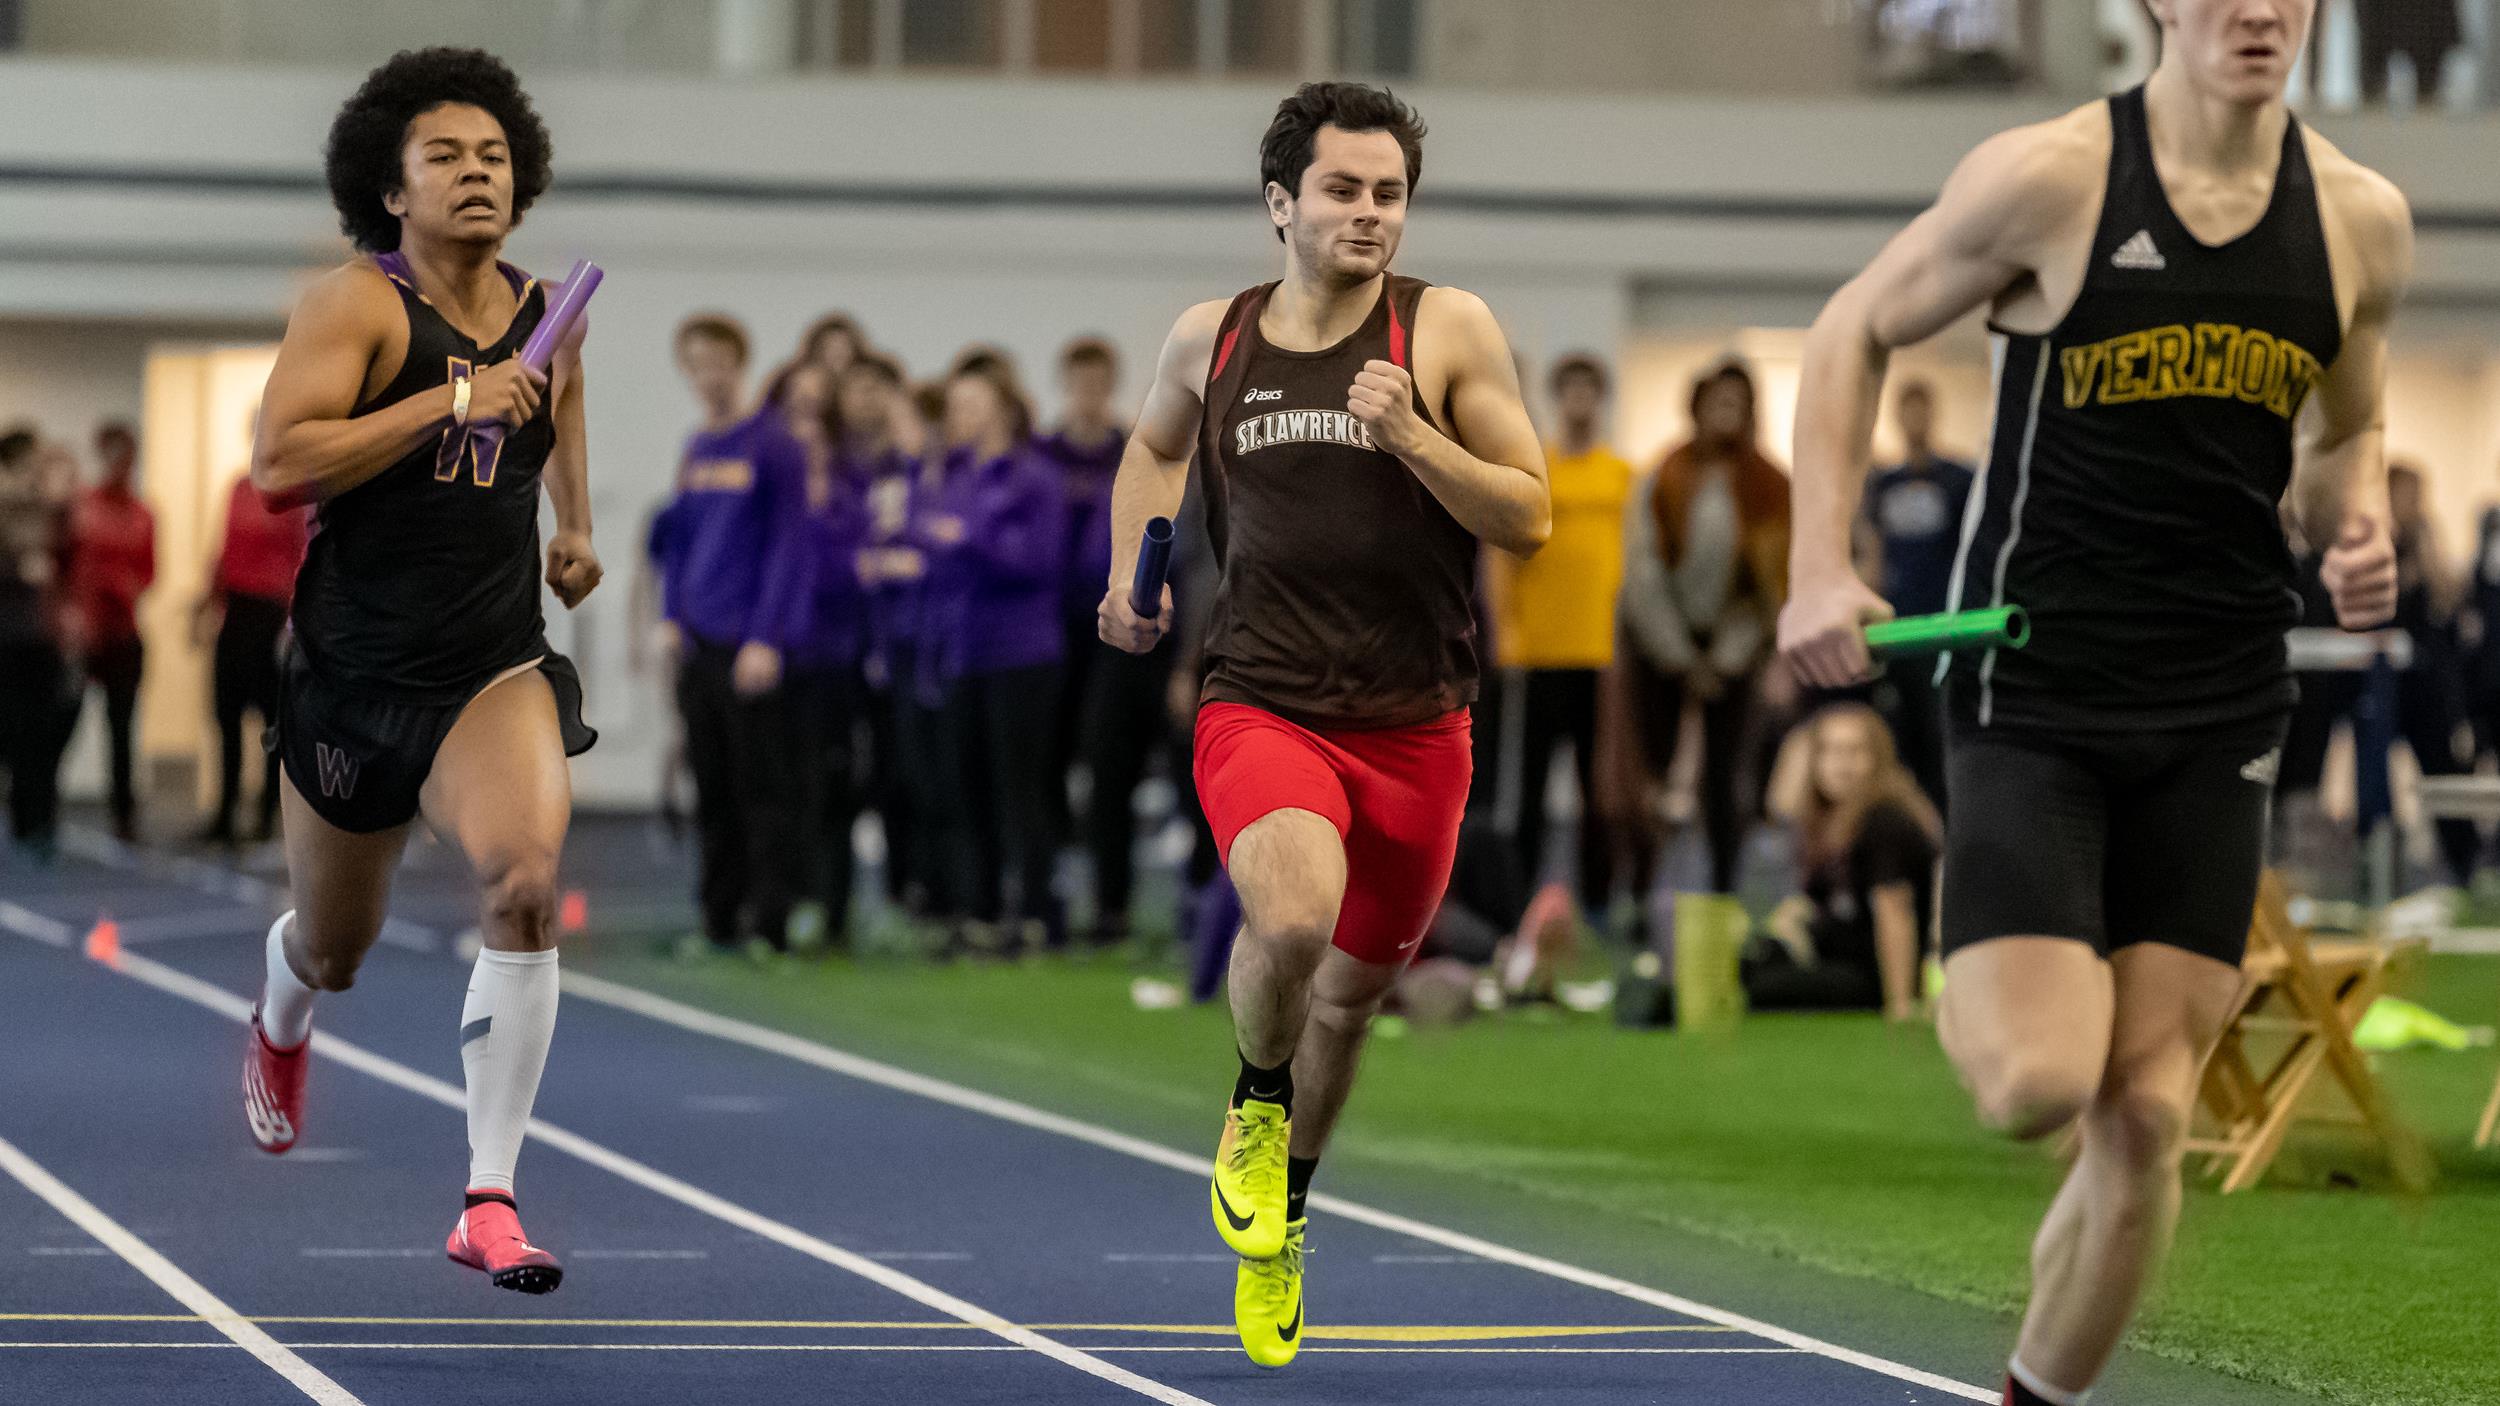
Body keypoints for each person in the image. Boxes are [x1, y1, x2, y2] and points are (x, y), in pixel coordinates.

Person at [1779, 4, 2409, 1401]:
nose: (2258, 11)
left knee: (2145, 1113)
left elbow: (2347, 429)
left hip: (2221, 705)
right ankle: (1989, 968)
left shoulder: (2360, 218)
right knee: (2038, 1087)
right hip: (2038, 693)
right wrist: (1819, 564)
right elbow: (1851, 328)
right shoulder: (2056, 176)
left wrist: (2354, 525)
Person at [1098, 81, 1549, 1367]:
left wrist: (1414, 438)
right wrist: (1130, 569)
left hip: (1418, 723)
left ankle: (1285, 1213)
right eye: (1344, 191)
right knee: (1290, 914)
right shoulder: (1214, 334)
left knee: (1348, 1005)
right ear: (1280, 204)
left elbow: (1526, 512)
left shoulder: (1445, 329)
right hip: (1262, 698)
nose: (1369, 214)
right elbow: (1151, 447)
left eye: (1389, 192)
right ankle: (1252, 1097)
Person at [242, 48, 604, 1294]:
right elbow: (281, 464)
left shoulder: (548, 305)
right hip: (354, 672)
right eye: (445, 157)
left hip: (490, 663)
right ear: (390, 188)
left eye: (494, 156)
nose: (475, 175)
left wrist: (577, 525)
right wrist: (449, 403)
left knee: (524, 885)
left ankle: (488, 1196)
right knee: (340, 944)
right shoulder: (358, 305)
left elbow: (555, 414)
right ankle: (286, 1005)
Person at [652, 313, 816, 959]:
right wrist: (670, 616)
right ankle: (717, 918)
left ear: (739, 363)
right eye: (696, 363)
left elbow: (788, 546)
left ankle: (769, 922)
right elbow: (681, 541)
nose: (709, 375)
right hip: (699, 646)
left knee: (762, 790)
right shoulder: (698, 449)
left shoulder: (774, 444)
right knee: (712, 789)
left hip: (749, 647)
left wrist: (765, 637)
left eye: (719, 360)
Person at [1607, 361, 1791, 898]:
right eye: (1717, 402)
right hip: (1659, 646)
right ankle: (1640, 900)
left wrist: (1724, 659)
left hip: (1734, 651)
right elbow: (1641, 572)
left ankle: (1723, 896)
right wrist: (1680, 655)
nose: (1726, 413)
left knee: (1727, 782)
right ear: (1696, 409)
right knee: (1652, 778)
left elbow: (1772, 589)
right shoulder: (1661, 476)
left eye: (1738, 403)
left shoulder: (1772, 487)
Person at [1480, 353, 1631, 929]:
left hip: (1600, 658)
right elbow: (1500, 556)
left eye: (1589, 392)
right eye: (1569, 391)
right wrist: (1508, 634)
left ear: (1600, 399)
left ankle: (1595, 905)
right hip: (1539, 655)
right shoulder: (1533, 470)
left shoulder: (1621, 476)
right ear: (1556, 398)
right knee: (1530, 792)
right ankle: (1517, 905)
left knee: (1601, 794)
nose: (1579, 403)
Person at [922, 359, 1068, 953]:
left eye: (972, 405)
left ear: (1002, 409)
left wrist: (969, 540)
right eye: (956, 406)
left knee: (1021, 789)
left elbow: (1040, 559)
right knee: (968, 786)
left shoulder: (1035, 477)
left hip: (1022, 654)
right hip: (966, 653)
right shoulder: (956, 476)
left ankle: (1033, 910)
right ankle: (980, 909)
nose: (960, 417)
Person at [1038, 337, 1159, 946]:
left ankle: (1112, 906)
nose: (1089, 392)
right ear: (1066, 382)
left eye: (1099, 381)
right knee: (1046, 770)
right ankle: (1051, 898)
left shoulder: (1130, 452)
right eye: (1079, 380)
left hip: (1116, 639)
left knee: (1112, 769)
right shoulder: (1041, 455)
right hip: (1049, 638)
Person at [1749, 703, 1939, 1016]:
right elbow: (1779, 805)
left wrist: (1900, 1003)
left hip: (1866, 976)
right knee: (1756, 960)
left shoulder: (1884, 820)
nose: (1842, 764)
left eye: (1855, 751)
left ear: (1878, 758)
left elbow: (1894, 912)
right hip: (1835, 960)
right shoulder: (1832, 822)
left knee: (1761, 985)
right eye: (1829, 751)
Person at [1859, 379, 1974, 808]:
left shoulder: (1958, 479)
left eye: (1920, 410)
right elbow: (1874, 552)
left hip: (1943, 626)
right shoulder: (1884, 483)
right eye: (1906, 412)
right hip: (1897, 626)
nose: (1914, 421)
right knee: (1897, 732)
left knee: (1938, 732)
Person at [194, 456, 310, 846]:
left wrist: (292, 624)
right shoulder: (240, 487)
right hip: (237, 610)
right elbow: (224, 552)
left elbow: (302, 557)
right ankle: (225, 812)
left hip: (272, 614)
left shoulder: (297, 492)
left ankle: (265, 813)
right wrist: (206, 606)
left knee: (271, 723)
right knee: (226, 716)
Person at [67, 421, 157, 843]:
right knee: (62, 720)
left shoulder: (143, 514)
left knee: (121, 729)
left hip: (123, 633)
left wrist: (126, 587)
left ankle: (124, 816)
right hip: (86, 634)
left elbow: (150, 571)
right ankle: (37, 807)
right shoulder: (81, 506)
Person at [0, 427, 80, 861]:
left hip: (43, 640)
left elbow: (72, 556)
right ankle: (22, 820)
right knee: (15, 734)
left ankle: (44, 822)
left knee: (46, 735)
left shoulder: (51, 510)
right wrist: (16, 568)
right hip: (10, 639)